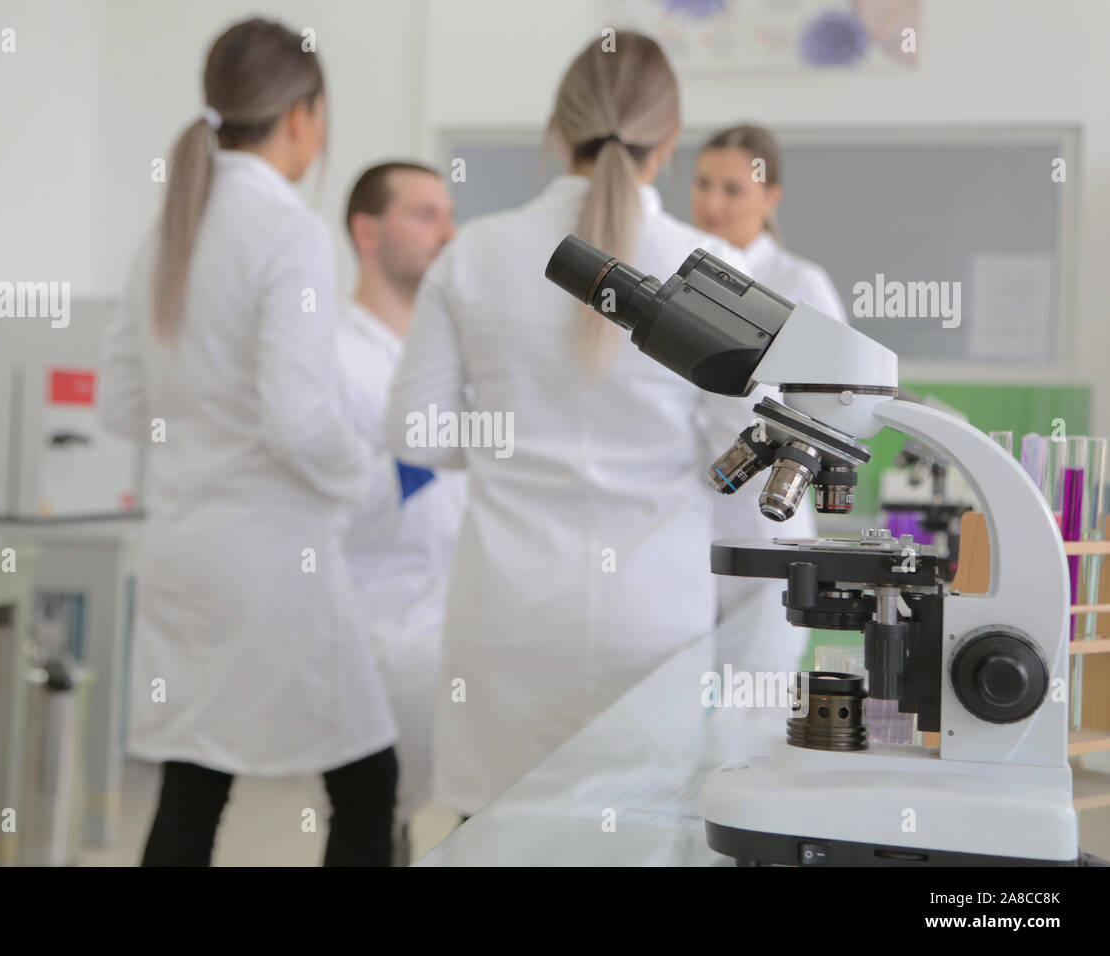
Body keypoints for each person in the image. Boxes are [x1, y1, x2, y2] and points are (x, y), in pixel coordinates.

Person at [387, 31, 807, 819]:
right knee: (635, 839)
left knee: (500, 838)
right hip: (652, 624)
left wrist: (511, 440)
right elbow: (751, 462)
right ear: (670, 141)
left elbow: (414, 430)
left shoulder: (474, 253)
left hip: (505, 622)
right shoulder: (716, 270)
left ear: (556, 129)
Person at [96, 18, 397, 867]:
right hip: (272, 562)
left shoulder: (167, 230)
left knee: (193, 787)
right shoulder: (289, 231)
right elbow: (295, 417)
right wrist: (363, 475)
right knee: (368, 783)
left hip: (183, 556)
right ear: (304, 114)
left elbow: (120, 405)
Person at [336, 162, 465, 863]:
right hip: (376, 622)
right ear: (366, 230)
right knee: (371, 817)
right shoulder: (333, 356)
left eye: (448, 213)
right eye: (424, 214)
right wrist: (417, 460)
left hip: (458, 616)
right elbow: (331, 504)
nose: (448, 232)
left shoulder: (452, 355)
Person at [690, 124, 848, 322]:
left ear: (770, 198)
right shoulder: (675, 267)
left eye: (733, 190)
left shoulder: (802, 285)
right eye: (703, 184)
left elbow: (838, 353)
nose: (711, 205)